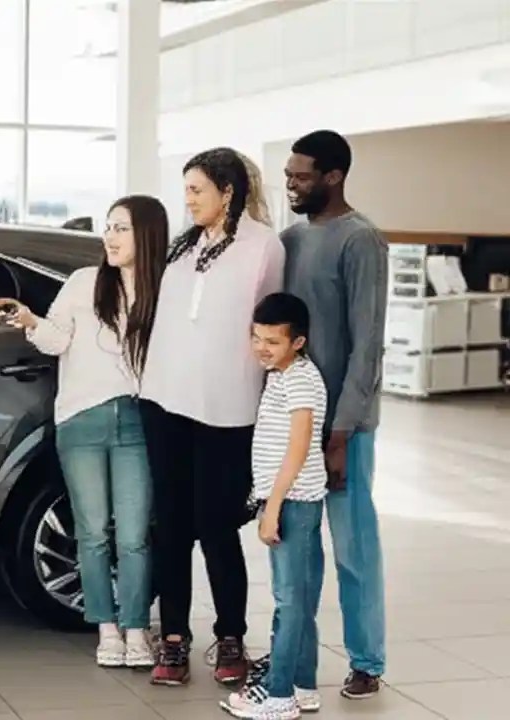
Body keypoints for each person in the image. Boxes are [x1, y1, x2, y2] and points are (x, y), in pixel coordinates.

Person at [0, 195, 170, 668]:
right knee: (91, 532)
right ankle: (106, 630)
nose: (109, 237)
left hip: (136, 420)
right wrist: (29, 320)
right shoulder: (84, 282)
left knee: (133, 535)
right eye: (108, 227)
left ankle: (136, 628)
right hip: (81, 421)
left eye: (122, 228)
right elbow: (56, 340)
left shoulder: (163, 291)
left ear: (147, 234)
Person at [139, 147, 286, 687]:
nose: (189, 200)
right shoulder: (183, 248)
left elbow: (269, 330)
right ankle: (173, 639)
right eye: (186, 191)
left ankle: (230, 637)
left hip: (229, 407)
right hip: (164, 401)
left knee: (217, 526)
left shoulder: (263, 247)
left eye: (197, 190)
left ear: (228, 191)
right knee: (171, 526)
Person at [278, 129, 388, 699]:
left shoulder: (361, 239)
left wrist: (341, 433)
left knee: (353, 549)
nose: (291, 183)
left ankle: (367, 660)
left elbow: (367, 344)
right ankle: (296, 665)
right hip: (294, 419)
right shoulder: (290, 239)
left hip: (343, 429)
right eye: (288, 174)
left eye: (301, 175)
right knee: (299, 553)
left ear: (334, 176)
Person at [221, 292, 328, 720]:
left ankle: (280, 693)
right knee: (299, 598)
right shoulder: (282, 374)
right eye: (257, 338)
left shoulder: (301, 379)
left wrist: (273, 506)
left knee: (289, 601)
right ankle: (302, 685)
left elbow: (299, 448)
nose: (262, 348)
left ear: (298, 342)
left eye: (273, 341)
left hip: (294, 502)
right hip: (289, 500)